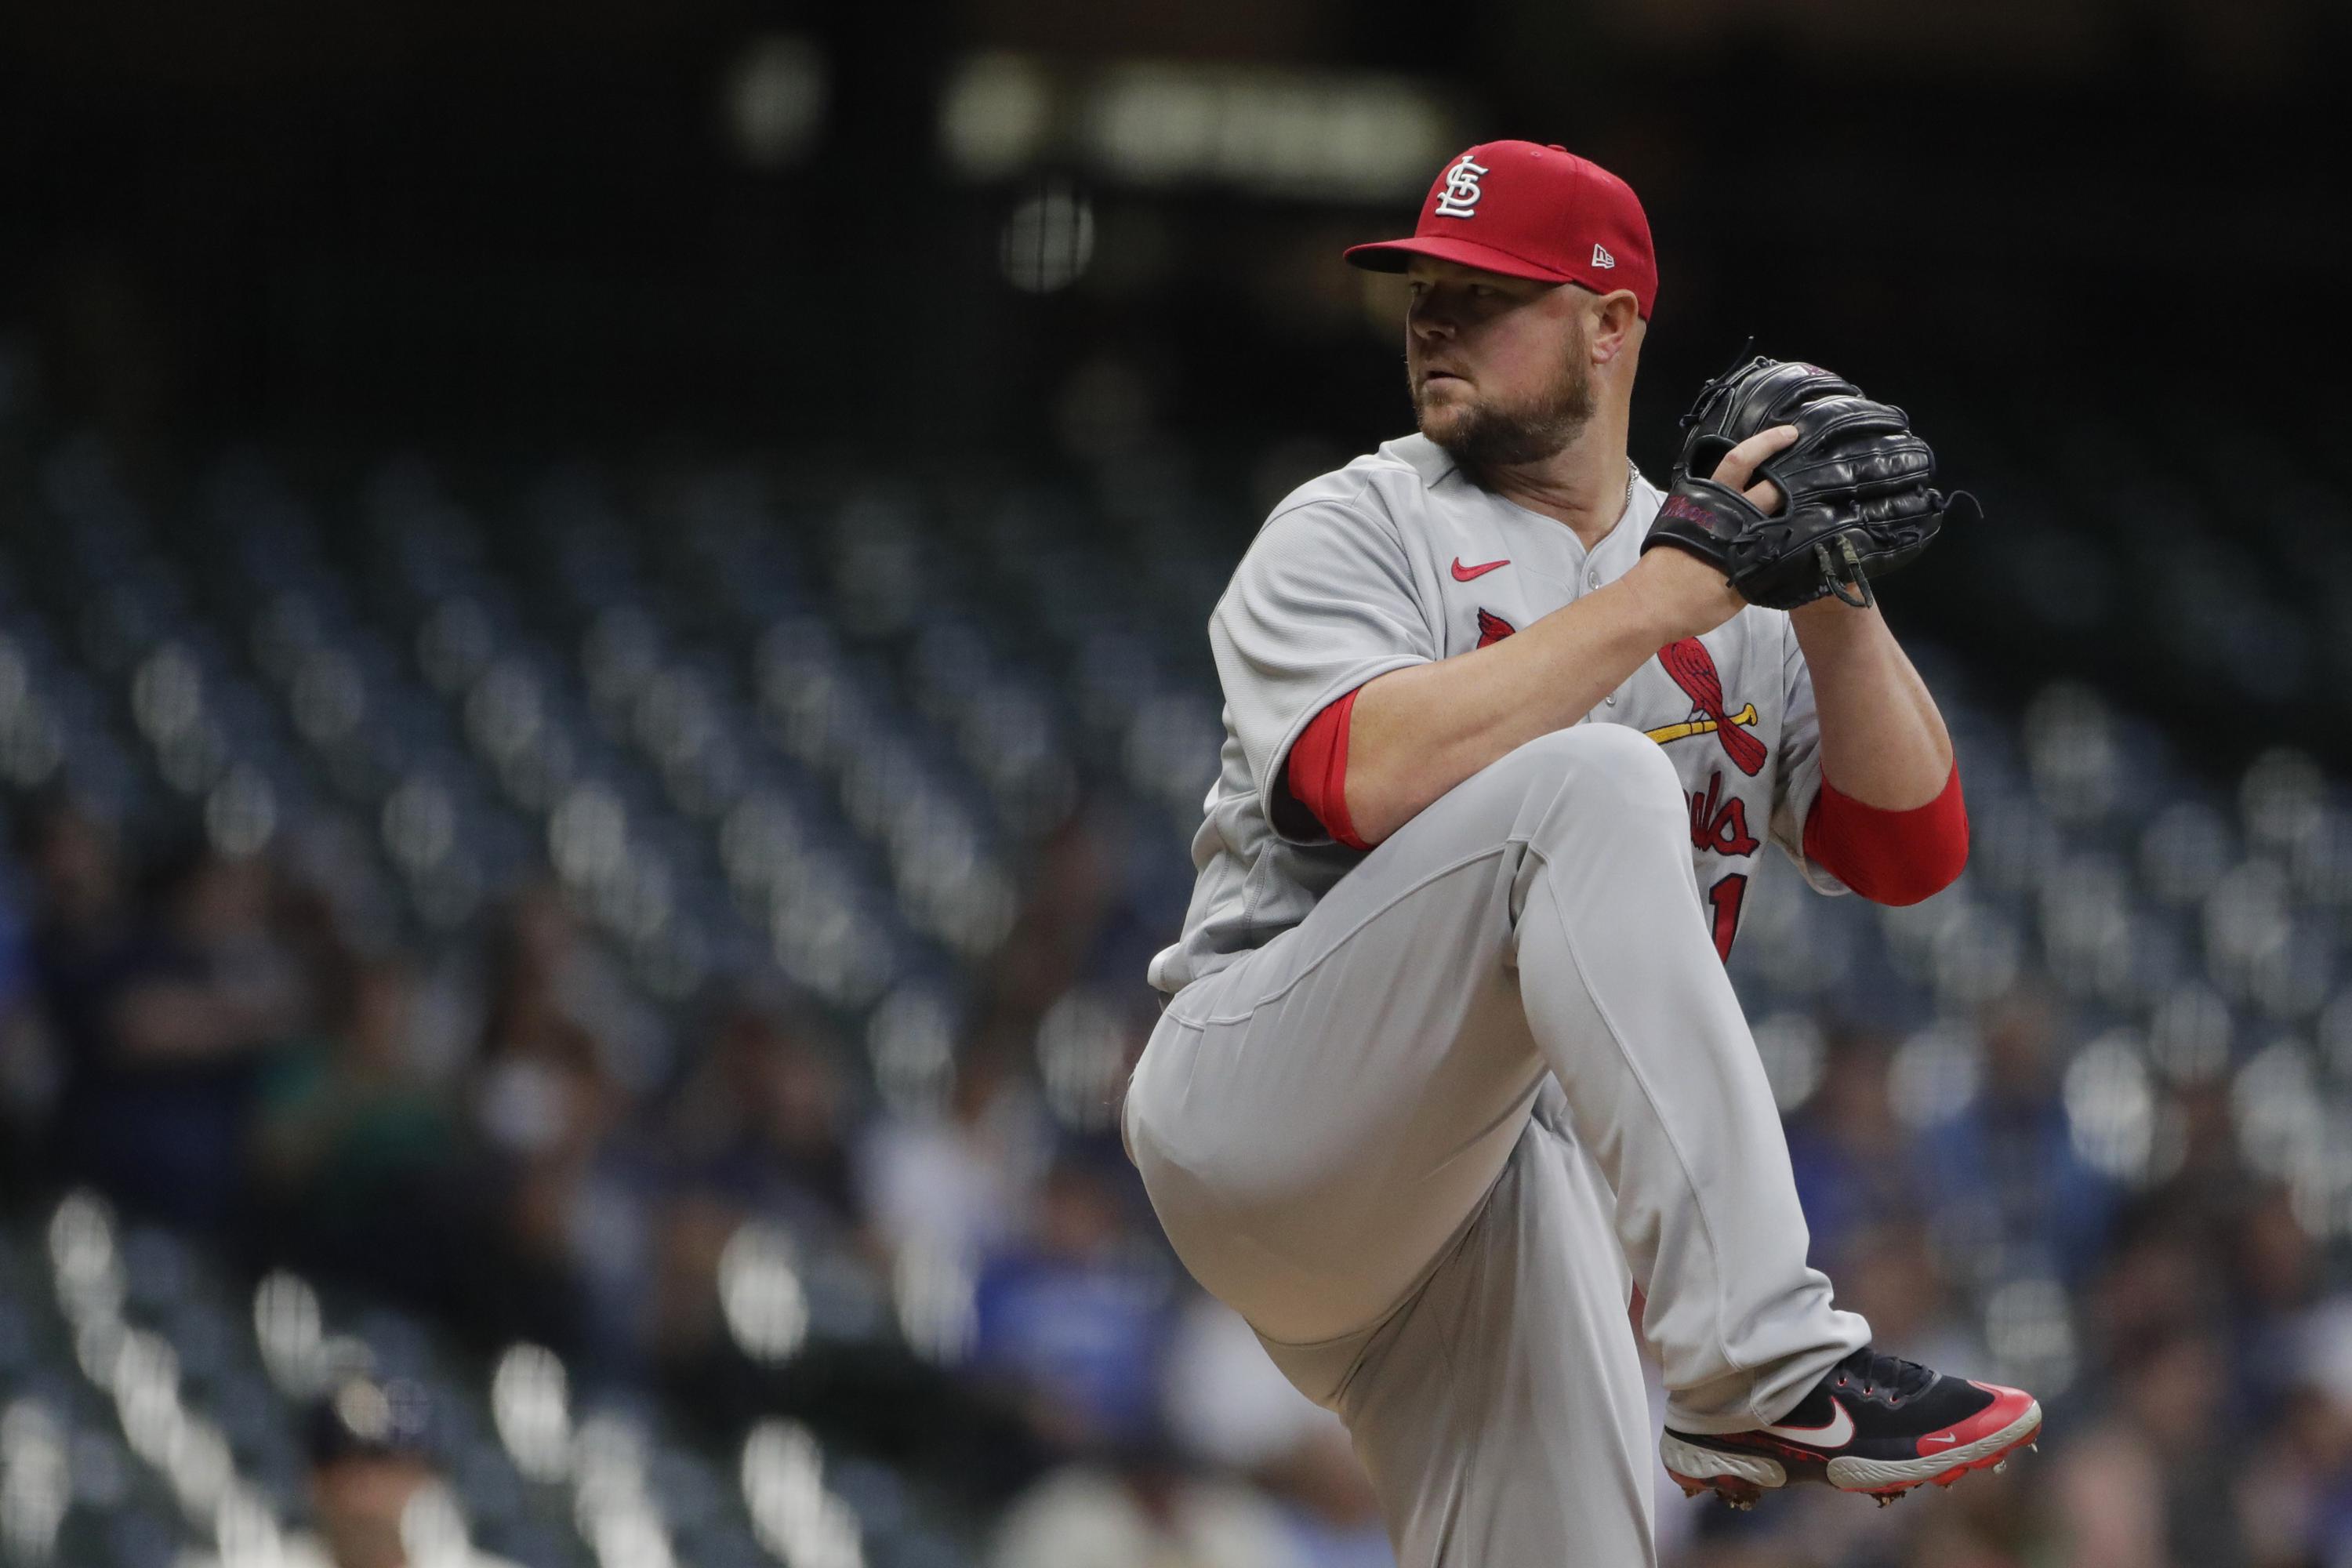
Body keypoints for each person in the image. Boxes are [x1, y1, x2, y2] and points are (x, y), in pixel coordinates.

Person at [1121, 140, 2040, 1567]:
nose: (1436, 318)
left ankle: (1745, 1368)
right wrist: (1677, 587)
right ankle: (1758, 1364)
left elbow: (1909, 848)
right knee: (1600, 786)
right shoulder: (1360, 524)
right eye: (1426, 289)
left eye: (1488, 294)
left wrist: (1828, 581)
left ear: (1612, 327)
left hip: (1487, 1200)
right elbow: (1359, 777)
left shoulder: (1723, 581)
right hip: (1269, 1099)